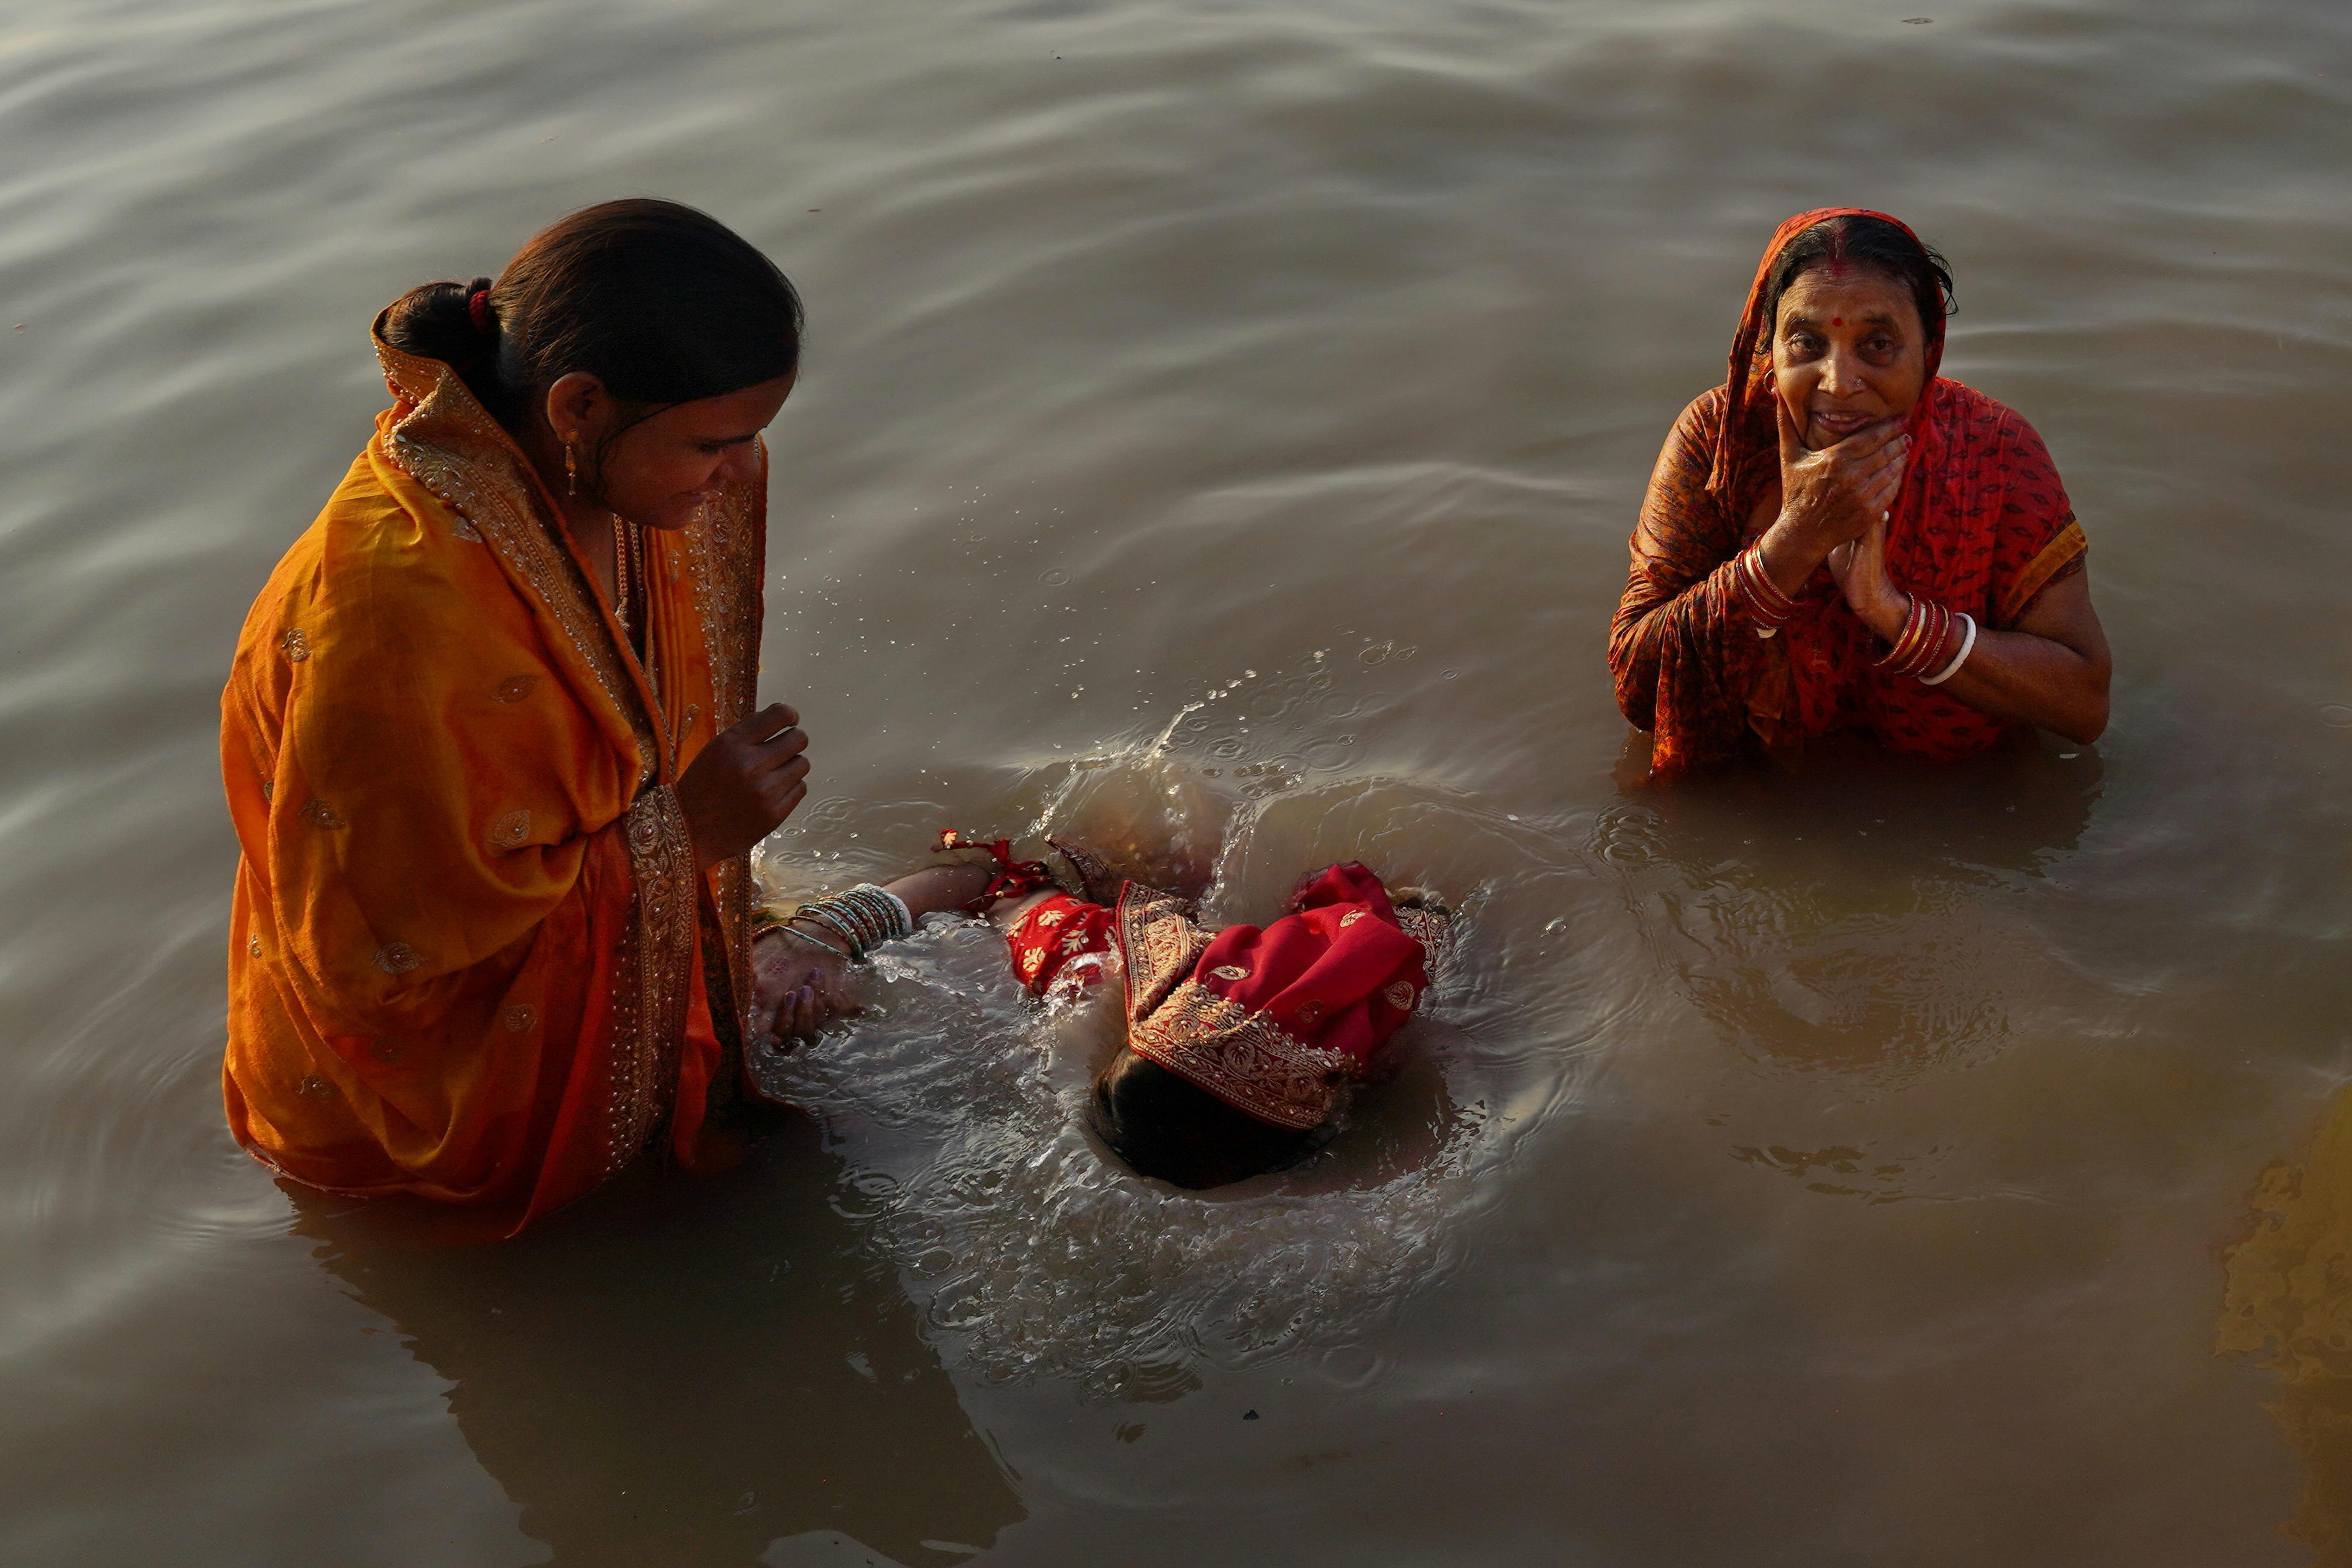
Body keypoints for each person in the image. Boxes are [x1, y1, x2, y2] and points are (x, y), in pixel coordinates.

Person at [222, 199, 823, 1233]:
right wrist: (684, 841)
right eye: (712, 446)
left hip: (616, 930)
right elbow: (385, 961)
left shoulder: (599, 480)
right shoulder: (397, 608)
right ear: (579, 407)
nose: (739, 475)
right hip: (434, 1124)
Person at [1609, 208, 2111, 780]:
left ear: (1930, 354)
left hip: (1952, 817)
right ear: (1768, 350)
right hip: (1764, 813)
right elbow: (1637, 690)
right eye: (1805, 342)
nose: (1839, 384)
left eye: (1877, 344)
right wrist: (1796, 541)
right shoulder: (1717, 445)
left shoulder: (1995, 455)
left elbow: (2085, 706)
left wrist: (1891, 613)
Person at [754, 836, 1453, 1189]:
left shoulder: (1082, 969)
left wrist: (832, 954)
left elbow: (996, 886)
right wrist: (822, 939)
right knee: (1149, 850)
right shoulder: (1094, 968)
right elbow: (995, 886)